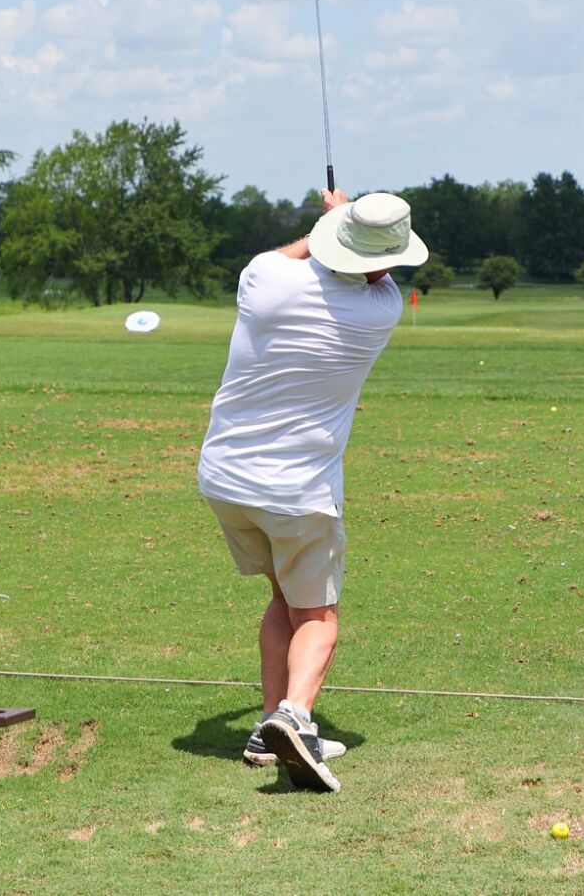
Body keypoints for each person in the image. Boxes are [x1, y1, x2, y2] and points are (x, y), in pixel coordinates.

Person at [197, 188, 427, 793]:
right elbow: (371, 270)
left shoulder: (264, 278)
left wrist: (328, 224)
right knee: (319, 615)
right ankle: (295, 716)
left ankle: (266, 729)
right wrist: (345, 225)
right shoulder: (383, 308)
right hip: (297, 491)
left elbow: (292, 255)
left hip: (225, 479)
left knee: (283, 597)